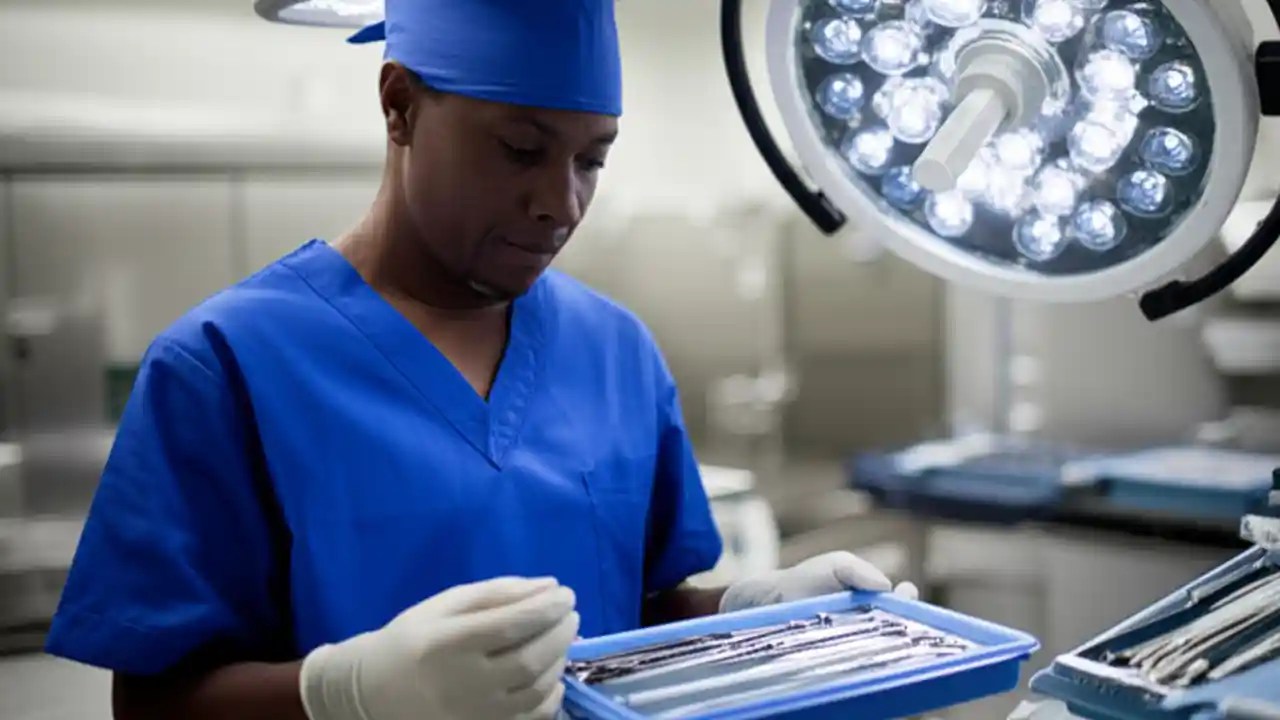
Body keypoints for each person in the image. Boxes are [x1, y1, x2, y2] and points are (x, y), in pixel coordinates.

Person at [45, 2, 914, 719]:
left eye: (592, 159)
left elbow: (637, 613)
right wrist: (345, 695)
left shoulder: (617, 353)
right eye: (521, 151)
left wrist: (750, 614)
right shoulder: (226, 367)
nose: (558, 202)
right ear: (400, 105)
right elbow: (154, 700)